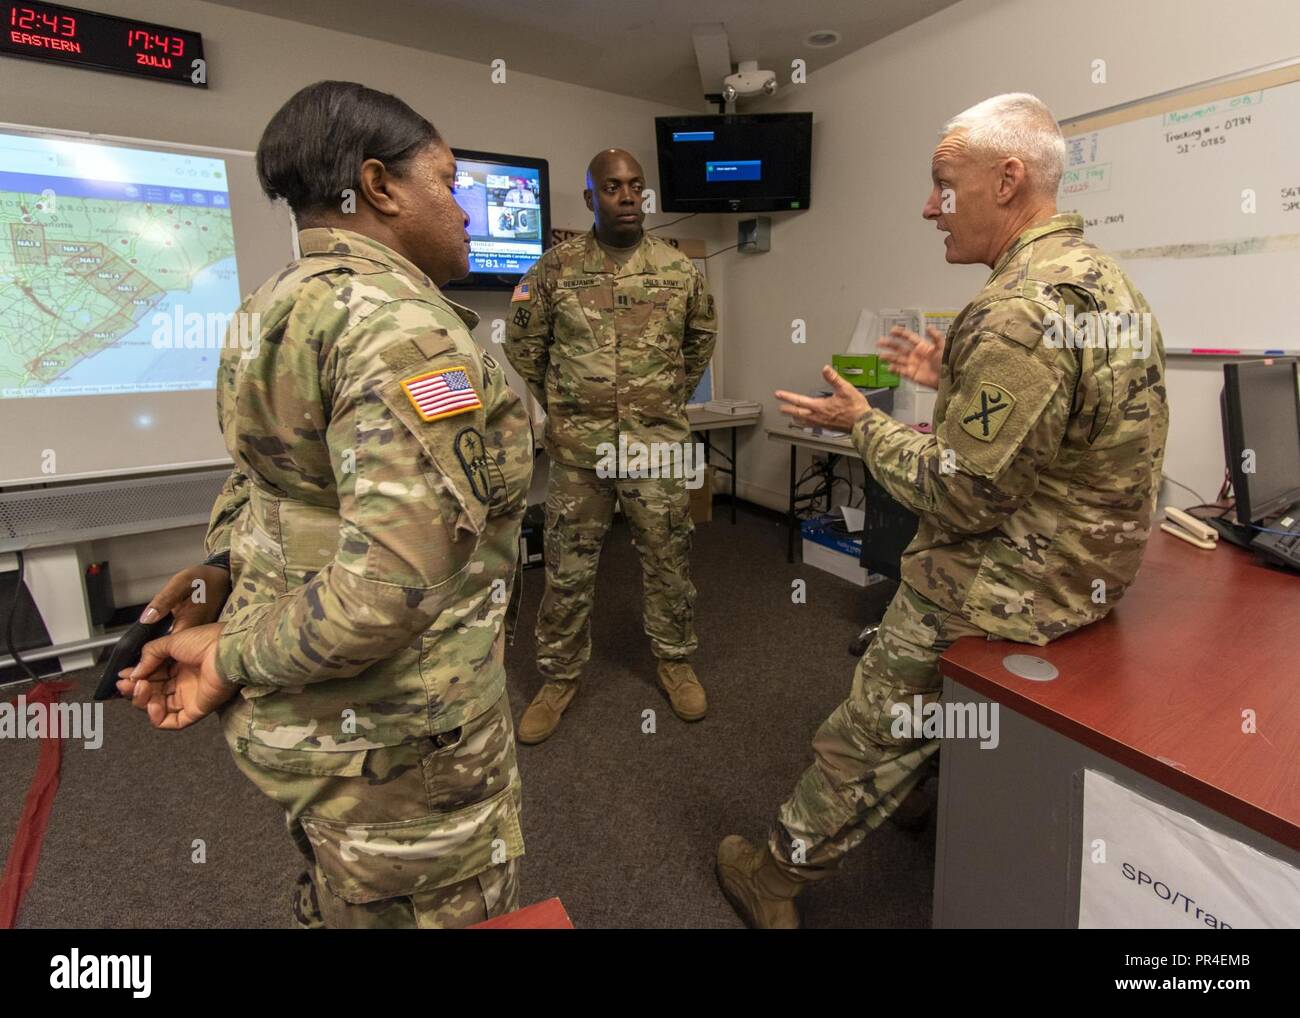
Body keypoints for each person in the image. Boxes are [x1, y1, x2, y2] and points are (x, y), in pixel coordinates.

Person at [716, 93, 1169, 928]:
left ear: (1006, 180)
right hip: (1089, 576)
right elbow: (1071, 426)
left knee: (865, 725)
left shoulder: (1014, 313)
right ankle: (924, 782)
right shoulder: (1108, 282)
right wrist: (950, 379)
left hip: (1005, 584)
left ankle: (776, 877)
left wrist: (864, 424)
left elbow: (957, 493)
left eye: (942, 186)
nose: (930, 208)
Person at [119, 80, 533, 928]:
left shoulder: (265, 309)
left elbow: (269, 480)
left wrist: (225, 567)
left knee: (342, 891)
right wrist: (223, 652)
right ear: (378, 187)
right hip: (403, 749)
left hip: (309, 735)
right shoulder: (403, 332)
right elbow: (388, 591)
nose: (464, 211)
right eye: (449, 183)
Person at [504, 148, 717, 744]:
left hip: (656, 448)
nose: (627, 196)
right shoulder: (553, 270)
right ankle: (558, 677)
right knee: (568, 570)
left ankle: (675, 661)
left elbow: (700, 341)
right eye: (613, 186)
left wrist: (661, 399)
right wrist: (570, 403)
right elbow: (524, 350)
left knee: (669, 562)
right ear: (590, 196)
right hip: (580, 452)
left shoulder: (678, 271)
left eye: (636, 186)